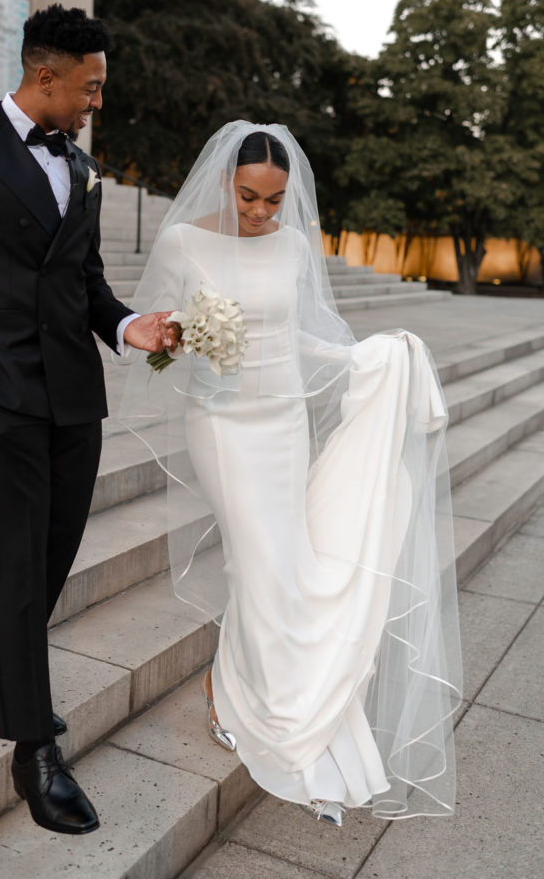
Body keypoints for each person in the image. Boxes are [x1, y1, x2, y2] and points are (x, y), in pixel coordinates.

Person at [118, 121, 462, 825]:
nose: (259, 213)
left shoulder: (295, 245)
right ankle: (254, 708)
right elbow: (162, 336)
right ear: (225, 182)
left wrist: (360, 359)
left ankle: (238, 690)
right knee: (259, 560)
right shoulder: (185, 240)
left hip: (282, 427)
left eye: (272, 202)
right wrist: (186, 338)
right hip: (220, 427)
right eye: (248, 197)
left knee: (277, 568)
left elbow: (296, 333)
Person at [0, 5, 175, 835]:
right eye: (88, 86)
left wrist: (132, 327)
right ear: (44, 75)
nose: (95, 101)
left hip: (74, 395)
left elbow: (84, 283)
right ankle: (32, 753)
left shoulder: (79, 166)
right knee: (18, 559)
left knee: (54, 552)